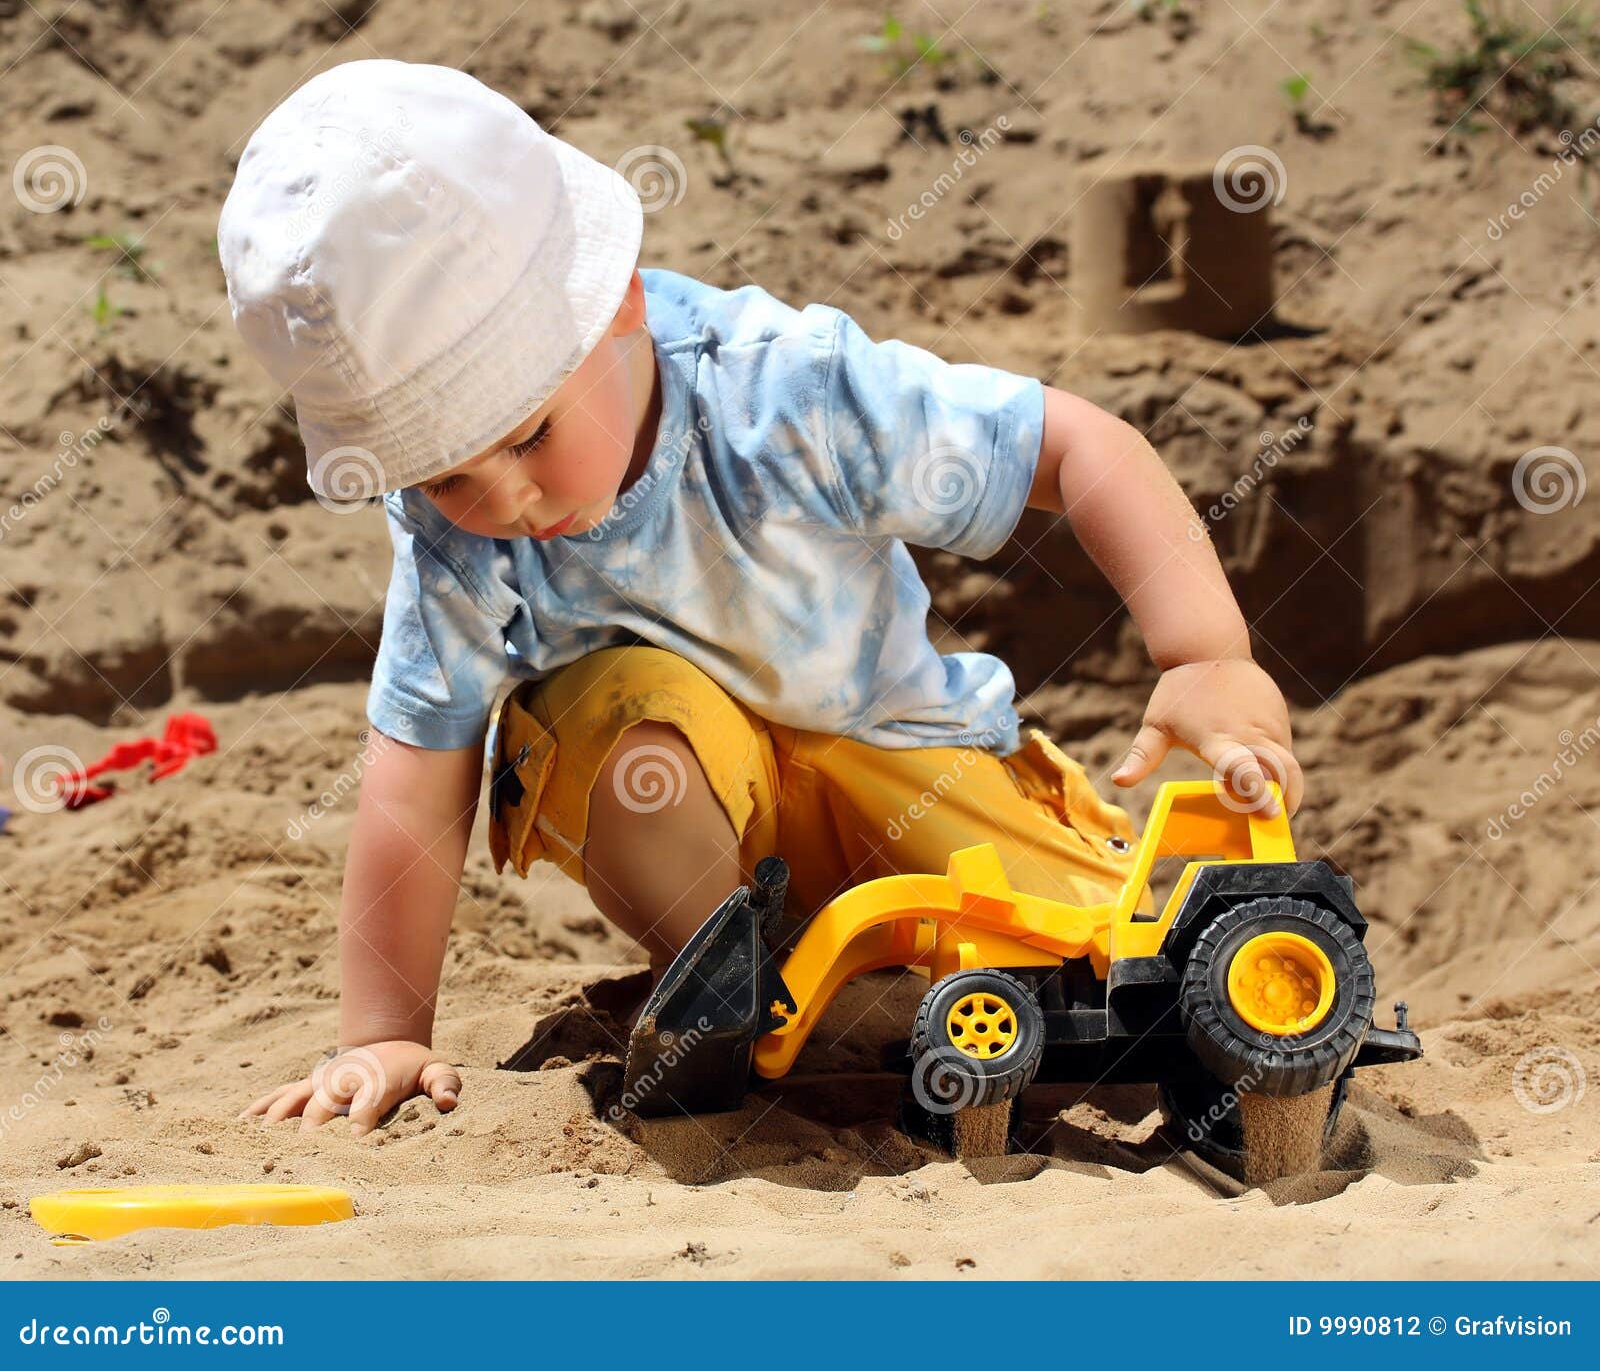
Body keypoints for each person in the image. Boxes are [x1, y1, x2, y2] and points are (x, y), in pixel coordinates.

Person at [219, 59, 1301, 1135]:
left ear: (619, 303)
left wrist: (1204, 654)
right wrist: (383, 1031)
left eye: (528, 434)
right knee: (618, 712)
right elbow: (416, 777)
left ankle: (893, 974)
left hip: (904, 761)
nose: (500, 498)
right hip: (690, 817)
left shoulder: (786, 389)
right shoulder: (453, 541)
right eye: (443, 473)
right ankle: (730, 986)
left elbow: (1077, 447)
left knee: (1122, 992)